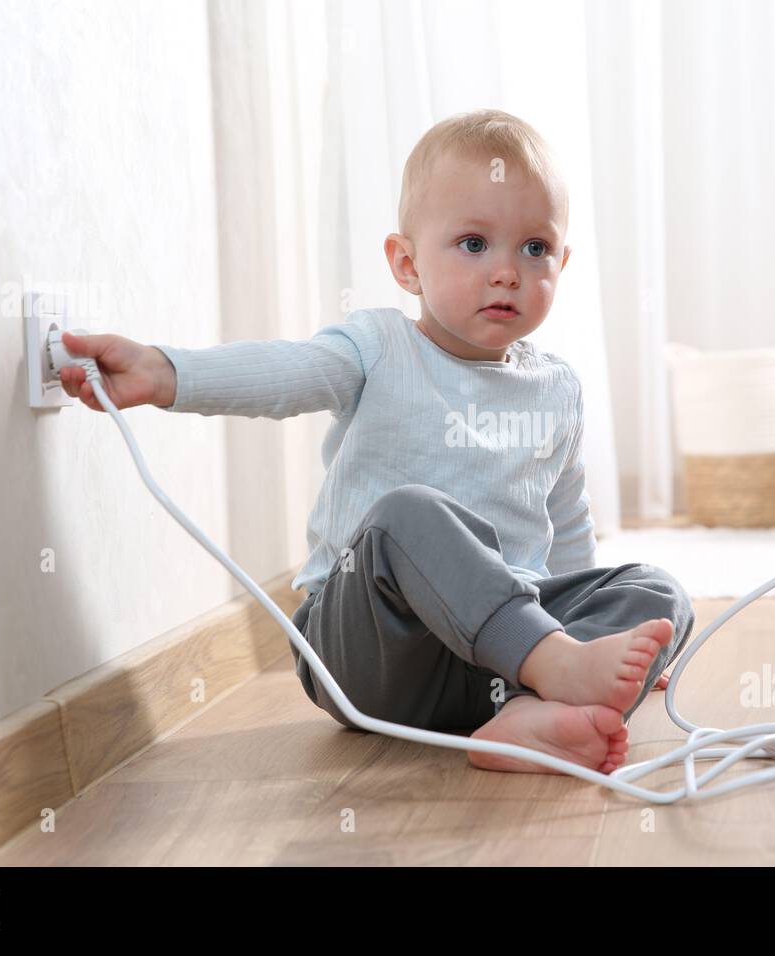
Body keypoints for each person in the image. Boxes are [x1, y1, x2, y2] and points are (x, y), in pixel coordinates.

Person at [59, 108, 695, 776]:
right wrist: (165, 373)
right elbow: (284, 372)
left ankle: (528, 712)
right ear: (407, 264)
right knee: (404, 514)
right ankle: (555, 669)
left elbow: (566, 530)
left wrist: (595, 635)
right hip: (372, 655)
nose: (507, 271)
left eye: (534, 249)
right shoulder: (378, 346)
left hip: (490, 667)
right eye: (474, 244)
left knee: (659, 589)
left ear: (561, 263)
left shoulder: (557, 389)